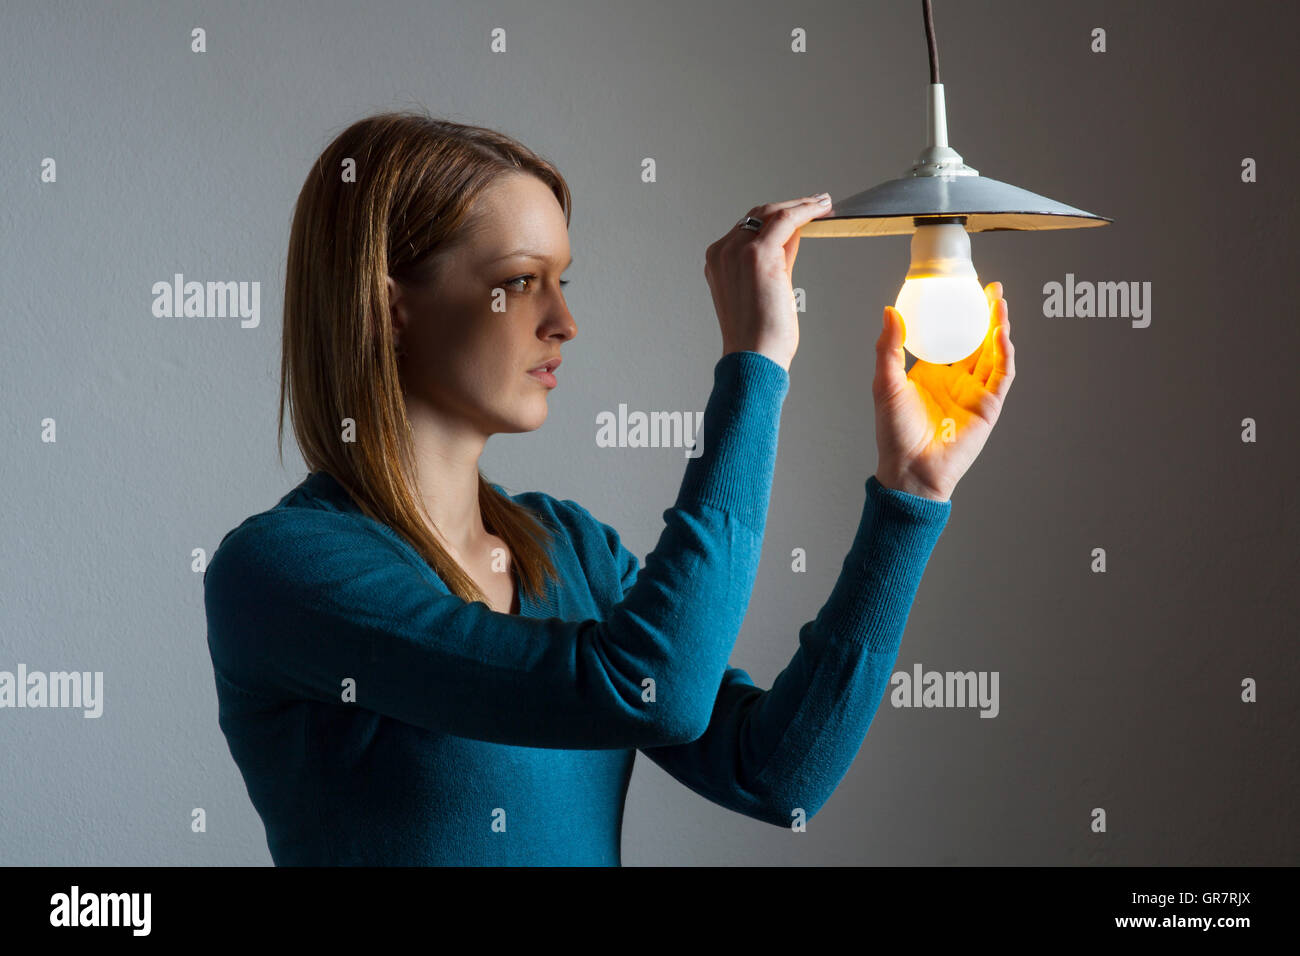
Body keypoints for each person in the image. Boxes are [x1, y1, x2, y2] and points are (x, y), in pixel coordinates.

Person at [203, 111, 1014, 866]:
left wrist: (910, 497)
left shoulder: (567, 549)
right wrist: (753, 372)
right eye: (521, 280)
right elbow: (644, 694)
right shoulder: (285, 570)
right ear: (389, 307)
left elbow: (775, 774)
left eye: (563, 278)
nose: (563, 320)